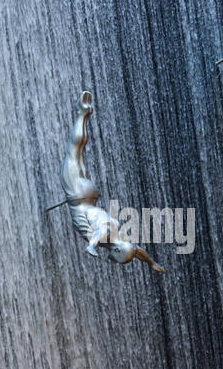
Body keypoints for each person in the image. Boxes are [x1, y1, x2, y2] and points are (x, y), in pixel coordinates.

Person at [56, 92, 164, 272]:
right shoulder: (109, 235)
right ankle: (82, 114)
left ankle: (84, 117)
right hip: (77, 197)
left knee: (77, 152)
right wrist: (91, 246)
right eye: (116, 257)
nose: (112, 259)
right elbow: (99, 234)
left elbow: (138, 252)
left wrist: (151, 263)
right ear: (118, 249)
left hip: (88, 197)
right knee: (73, 151)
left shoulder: (123, 238)